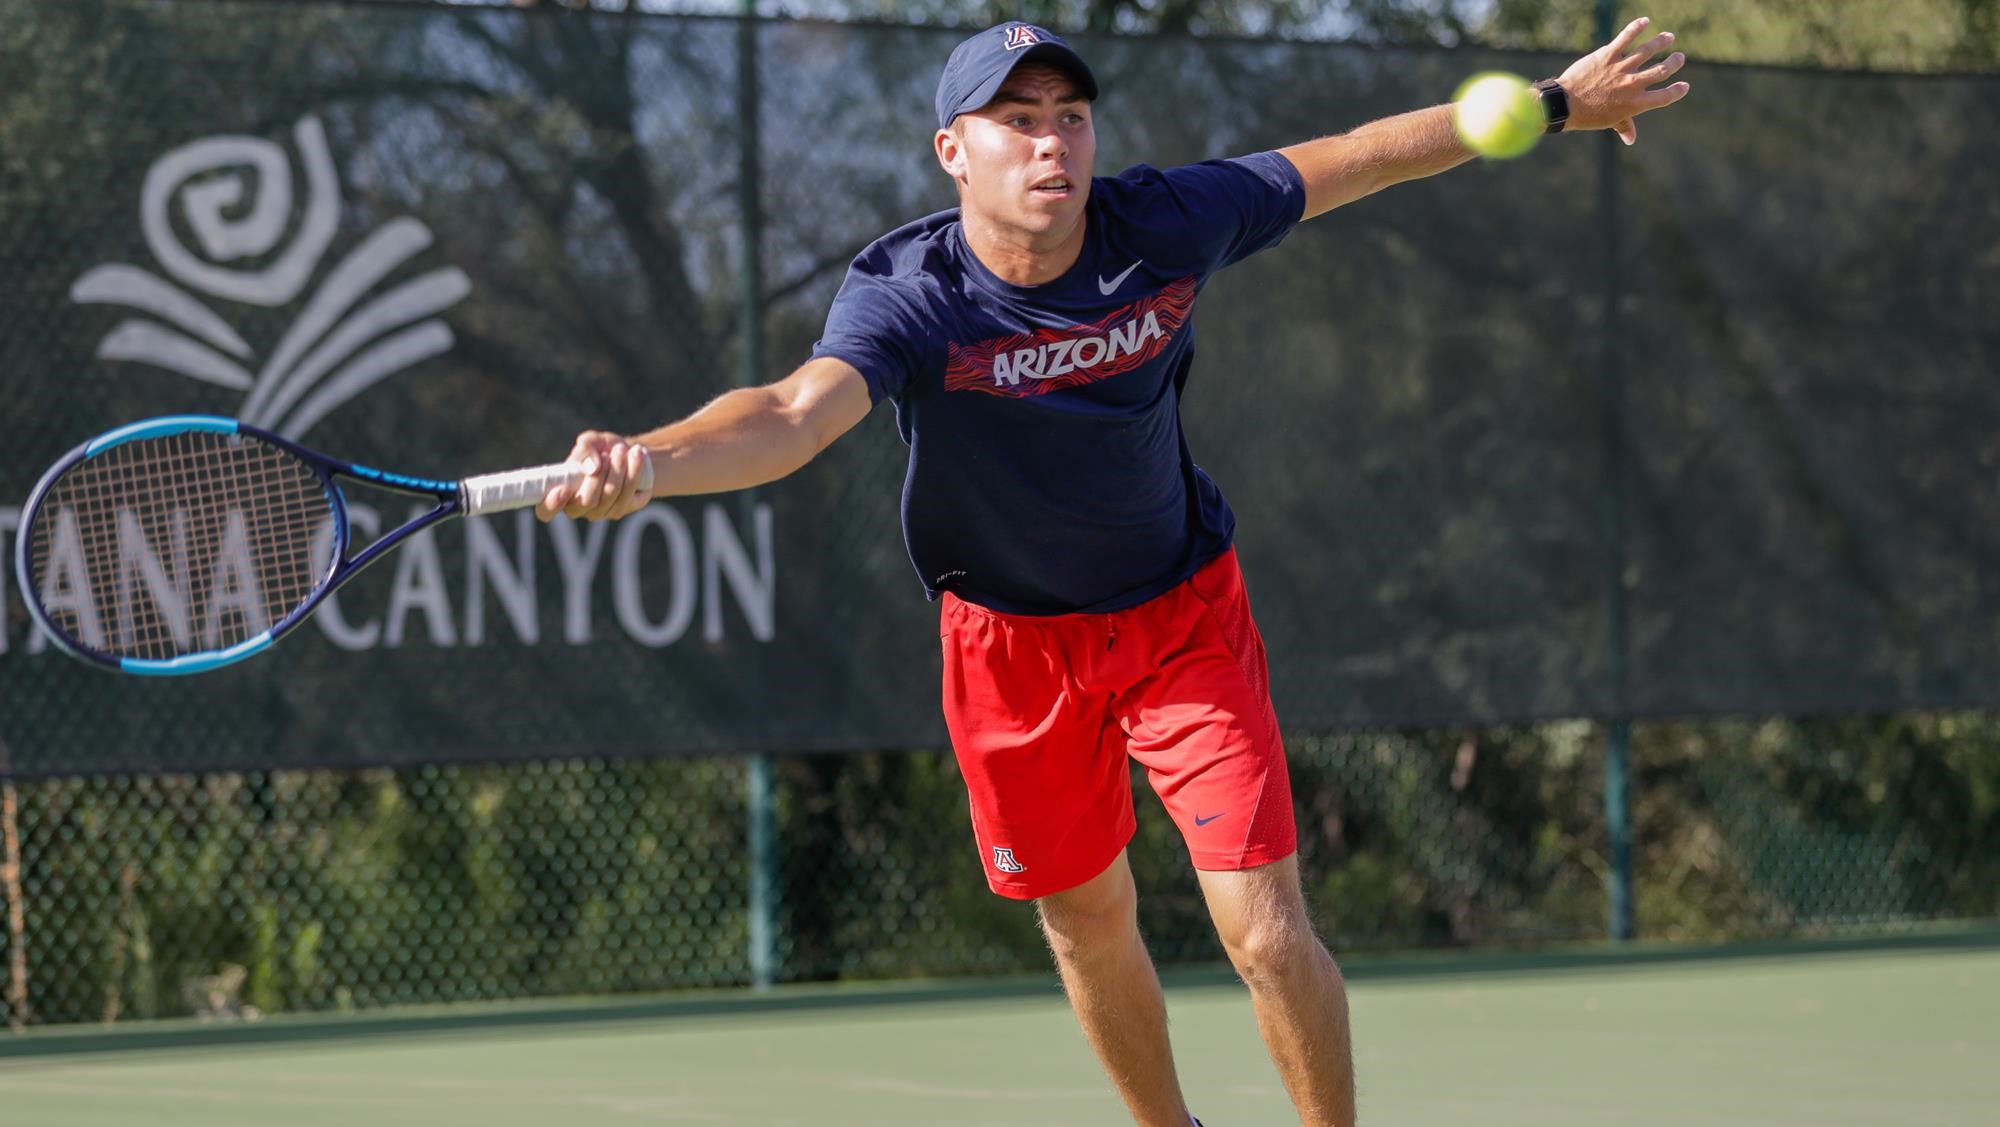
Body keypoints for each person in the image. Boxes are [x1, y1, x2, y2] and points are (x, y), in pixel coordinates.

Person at [536, 17, 1688, 1126]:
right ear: (953, 151)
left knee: (1265, 928)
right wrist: (653, 462)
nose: (1051, 141)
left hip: (1179, 616)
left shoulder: (1162, 222)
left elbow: (1351, 160)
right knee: (1087, 922)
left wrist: (1550, 104)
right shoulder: (908, 295)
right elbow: (790, 412)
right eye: (1016, 119)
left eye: (1069, 116)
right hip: (1005, 649)